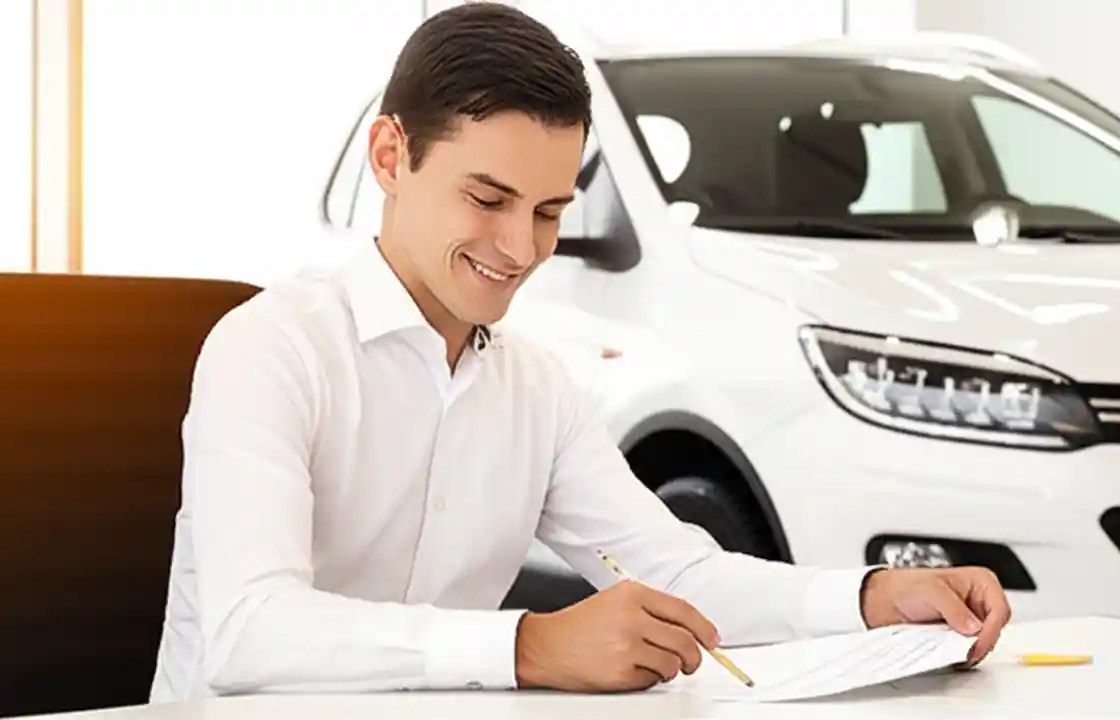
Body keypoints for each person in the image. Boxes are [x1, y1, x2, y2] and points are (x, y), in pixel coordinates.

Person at [150, 1, 1011, 702]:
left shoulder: (535, 388)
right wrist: (530, 644)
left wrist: (868, 599)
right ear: (390, 156)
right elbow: (248, 630)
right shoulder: (269, 349)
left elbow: (681, 571)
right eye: (487, 198)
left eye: (550, 210)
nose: (520, 248)